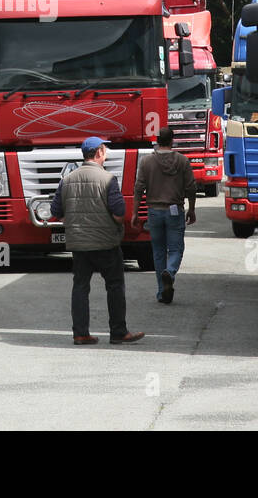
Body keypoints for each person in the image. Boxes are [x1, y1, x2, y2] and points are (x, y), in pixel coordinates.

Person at [50, 136, 145, 345]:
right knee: (114, 285)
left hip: (78, 244)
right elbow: (120, 212)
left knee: (81, 286)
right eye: (105, 149)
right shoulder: (108, 179)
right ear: (100, 152)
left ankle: (80, 333)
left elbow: (55, 210)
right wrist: (114, 222)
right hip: (105, 243)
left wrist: (71, 219)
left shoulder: (67, 179)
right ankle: (119, 332)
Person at [133, 127, 197, 304]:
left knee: (158, 251)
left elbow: (139, 188)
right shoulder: (183, 161)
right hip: (174, 209)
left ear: (157, 140)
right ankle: (170, 271)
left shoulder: (146, 162)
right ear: (172, 141)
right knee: (176, 249)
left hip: (154, 211)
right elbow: (191, 187)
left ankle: (162, 291)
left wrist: (135, 213)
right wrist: (192, 208)